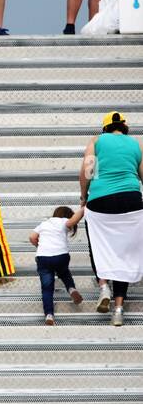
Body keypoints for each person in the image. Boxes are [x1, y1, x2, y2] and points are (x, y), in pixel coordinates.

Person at [80, 111, 143, 325]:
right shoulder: (136, 144)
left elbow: (87, 171)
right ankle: (118, 309)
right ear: (124, 126)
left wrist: (84, 197)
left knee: (99, 246)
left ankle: (103, 286)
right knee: (124, 253)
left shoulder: (97, 140)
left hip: (100, 200)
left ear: (105, 127)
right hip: (131, 201)